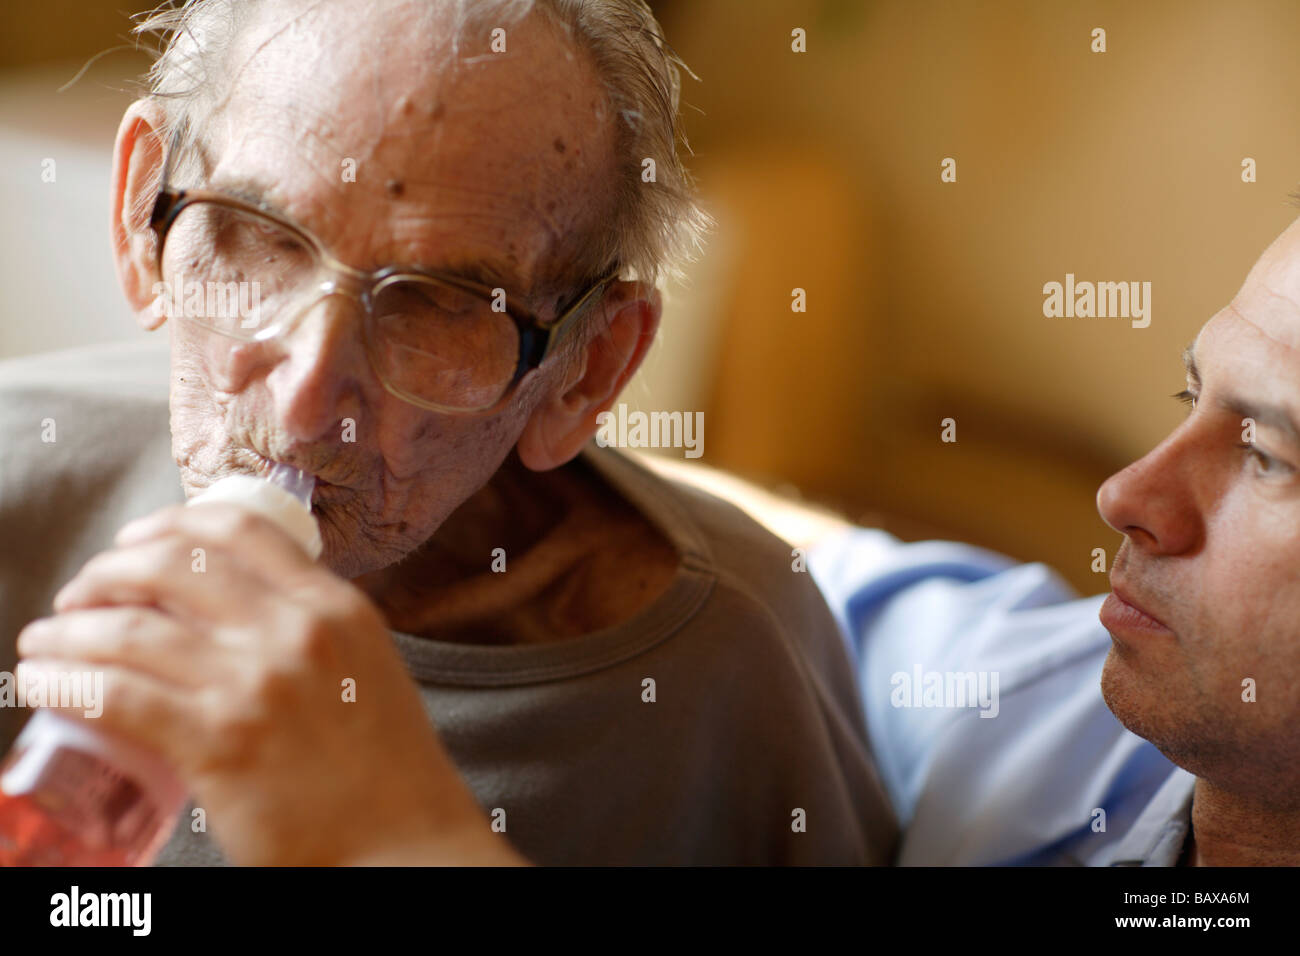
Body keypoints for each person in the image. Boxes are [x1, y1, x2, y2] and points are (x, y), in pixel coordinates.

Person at [1, 0, 896, 866]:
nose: (309, 400)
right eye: (260, 238)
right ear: (141, 210)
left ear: (584, 373)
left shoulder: (729, 680)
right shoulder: (19, 465)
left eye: (436, 303)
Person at [778, 212, 1300, 866]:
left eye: (1269, 457)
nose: (1122, 495)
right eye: (1188, 395)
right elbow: (801, 572)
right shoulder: (1045, 720)